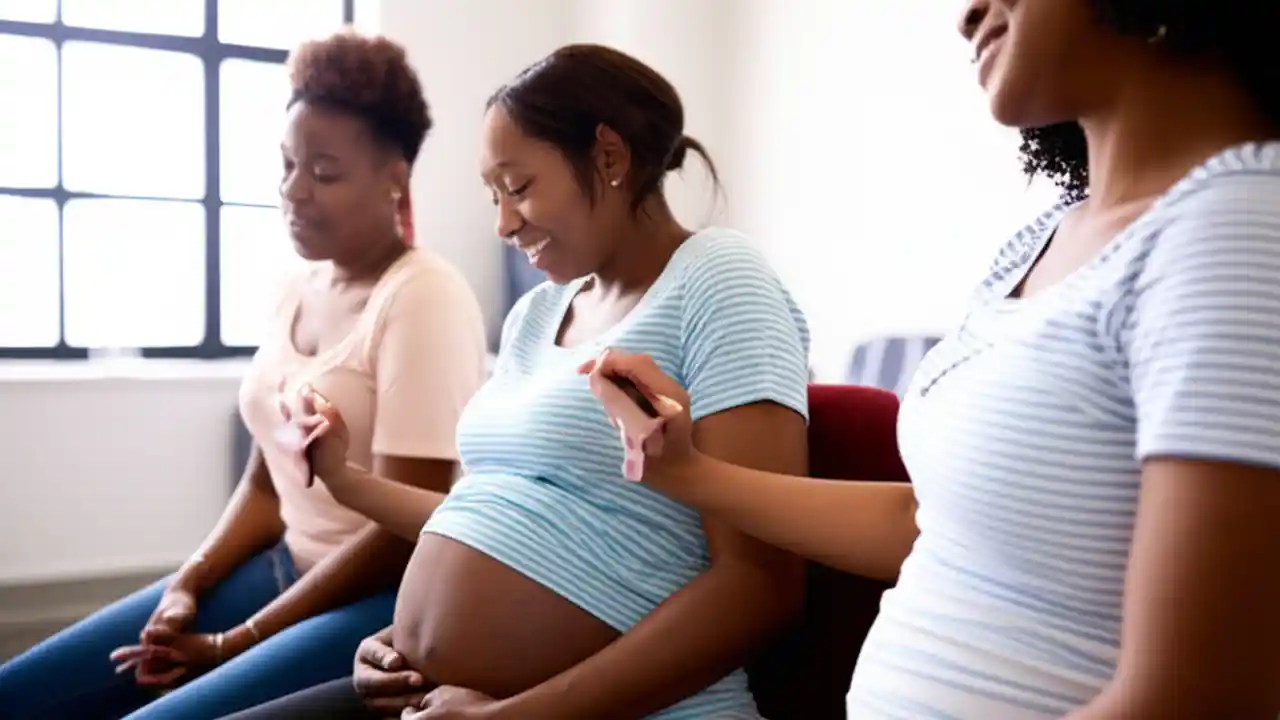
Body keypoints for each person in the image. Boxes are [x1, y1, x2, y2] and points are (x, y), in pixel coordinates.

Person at [581, 1, 1280, 718]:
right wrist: (689, 472)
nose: (969, 12)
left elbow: (1201, 695)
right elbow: (932, 517)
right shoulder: (1046, 239)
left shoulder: (1239, 229)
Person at [226, 44, 811, 720]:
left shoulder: (719, 279)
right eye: (492, 194)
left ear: (609, 159)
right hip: (433, 699)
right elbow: (495, 515)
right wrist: (394, 639)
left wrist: (515, 715)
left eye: (520, 186)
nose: (503, 223)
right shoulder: (537, 312)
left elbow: (760, 586)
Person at [0, 30, 488, 720]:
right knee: (16, 694)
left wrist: (237, 640)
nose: (293, 190)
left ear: (394, 178)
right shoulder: (297, 285)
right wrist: (190, 586)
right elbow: (269, 478)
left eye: (323, 172)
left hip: (377, 603)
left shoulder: (424, 296)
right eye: (287, 163)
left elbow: (403, 529)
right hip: (283, 566)